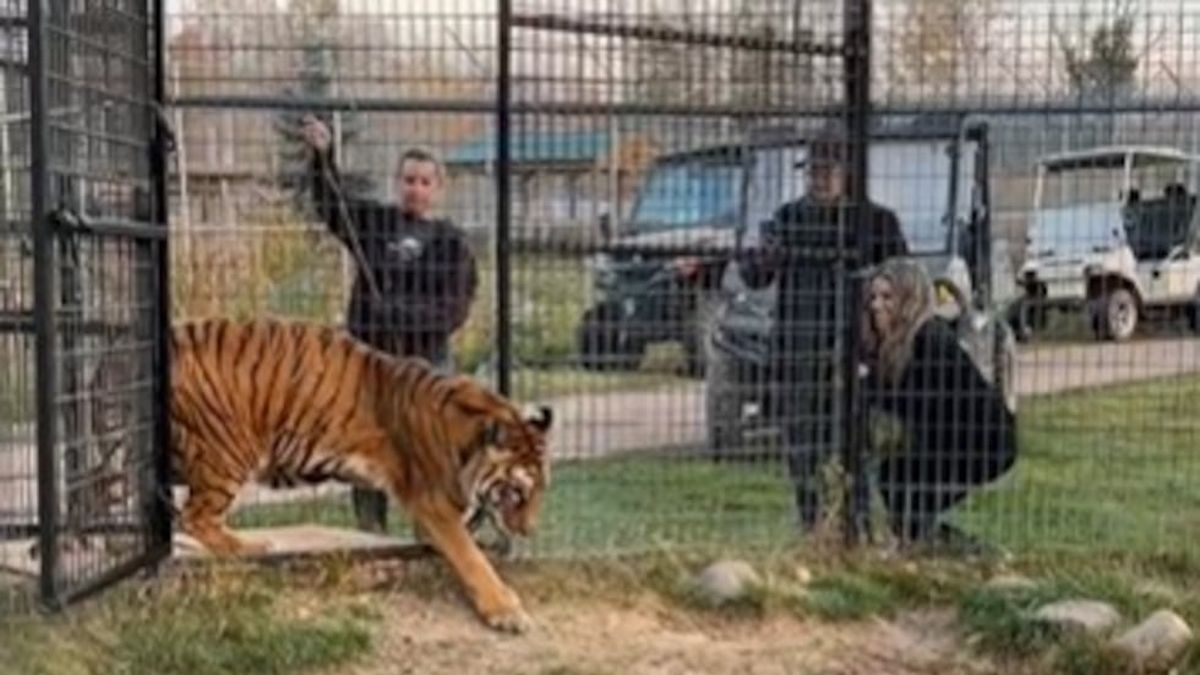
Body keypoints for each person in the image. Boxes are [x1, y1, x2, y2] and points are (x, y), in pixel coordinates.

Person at [301, 114, 479, 533]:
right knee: (366, 446)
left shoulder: (452, 244)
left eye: (424, 182)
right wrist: (322, 157)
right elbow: (332, 207)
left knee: (428, 448)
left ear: (438, 188)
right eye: (409, 180)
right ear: (398, 182)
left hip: (425, 363)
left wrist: (399, 315)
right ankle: (370, 532)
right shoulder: (376, 224)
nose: (415, 189)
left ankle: (432, 531)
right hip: (370, 363)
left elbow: (452, 311)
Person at [738, 123, 909, 531]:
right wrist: (764, 259)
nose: (819, 178)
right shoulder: (788, 218)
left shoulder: (876, 222)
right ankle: (811, 525)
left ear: (847, 173)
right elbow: (754, 275)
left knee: (857, 446)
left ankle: (858, 527)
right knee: (802, 449)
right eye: (813, 170)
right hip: (798, 352)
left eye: (828, 170)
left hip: (856, 354)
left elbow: (905, 278)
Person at [859, 258, 1017, 546]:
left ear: (909, 300)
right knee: (899, 488)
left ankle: (966, 551)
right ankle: (934, 547)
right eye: (873, 297)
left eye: (887, 297)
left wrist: (868, 388)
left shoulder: (930, 340)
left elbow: (913, 402)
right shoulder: (900, 343)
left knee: (904, 492)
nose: (876, 306)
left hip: (981, 443)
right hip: (947, 440)